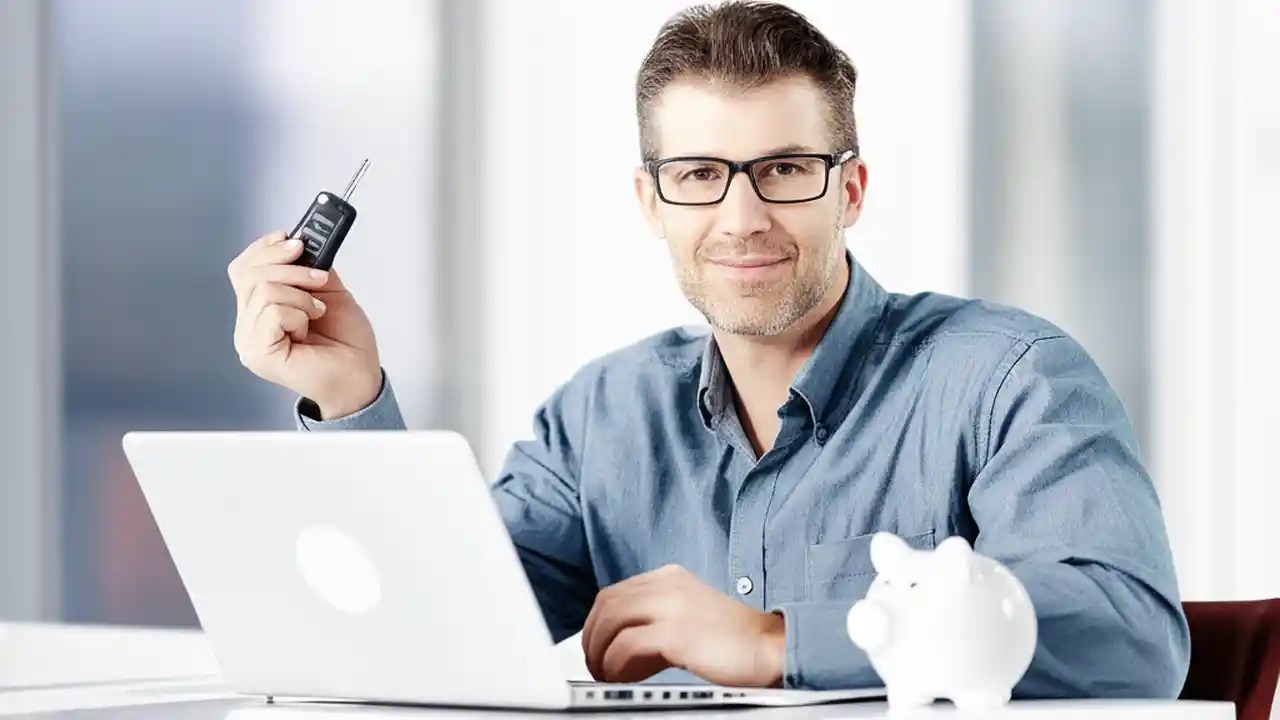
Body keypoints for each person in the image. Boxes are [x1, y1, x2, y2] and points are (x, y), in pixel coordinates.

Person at [227, 0, 1189, 698]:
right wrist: (351, 395)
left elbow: (1131, 634)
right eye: (698, 174)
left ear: (850, 192)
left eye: (785, 169)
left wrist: (778, 643)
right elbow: (430, 635)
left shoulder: (1007, 378)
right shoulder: (600, 419)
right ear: (651, 202)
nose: (741, 217)